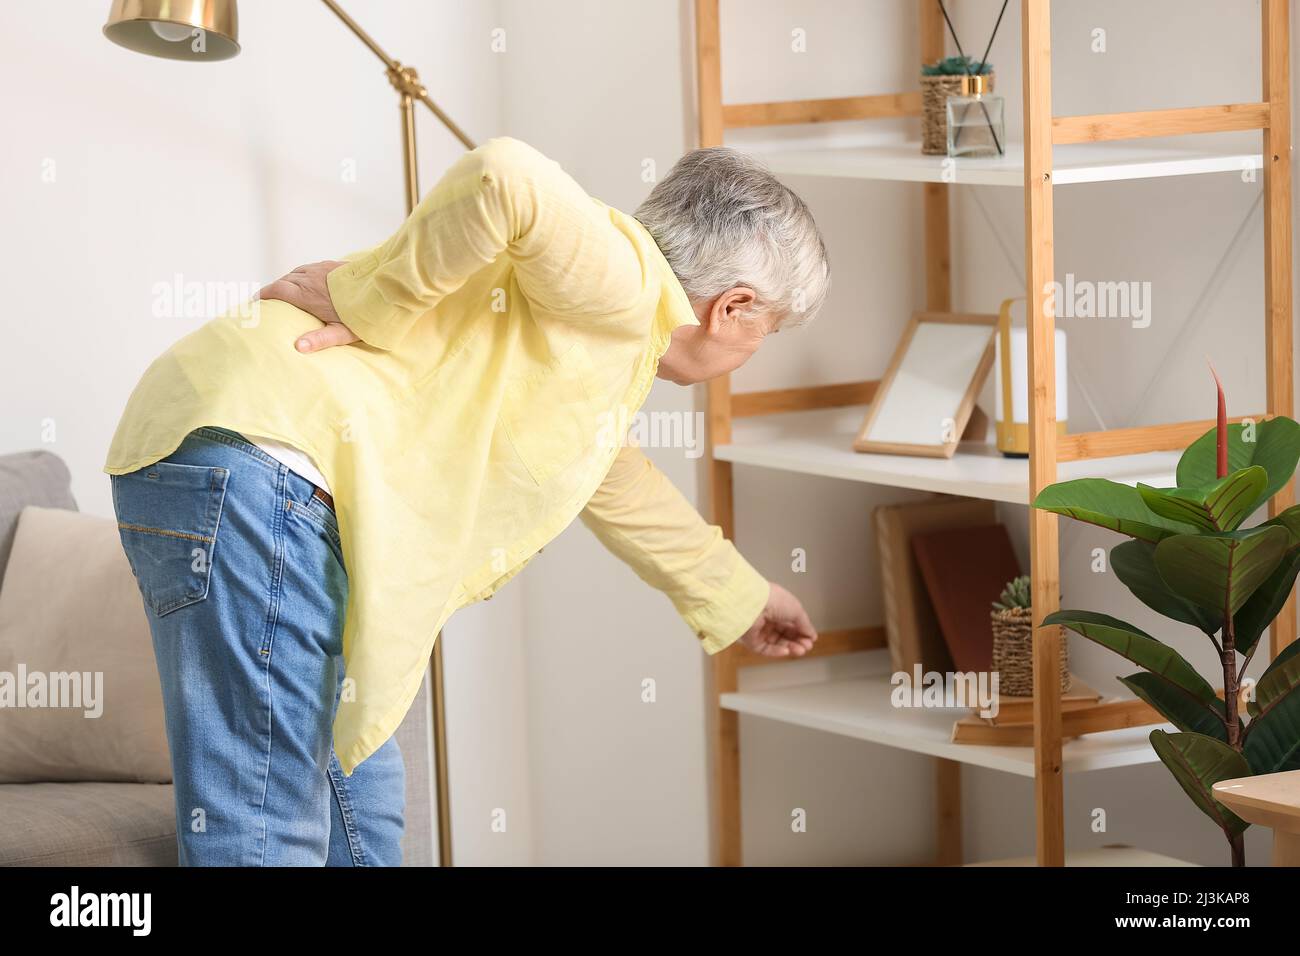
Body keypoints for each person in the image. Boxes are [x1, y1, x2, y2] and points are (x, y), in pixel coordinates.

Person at [104, 137, 830, 866]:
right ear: (732, 308)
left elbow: (623, 485)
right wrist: (372, 301)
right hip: (266, 465)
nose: (748, 358)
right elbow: (503, 175)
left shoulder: (602, 349)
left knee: (364, 812)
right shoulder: (626, 282)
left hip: (240, 464)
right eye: (761, 338)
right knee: (267, 828)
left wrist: (746, 597)